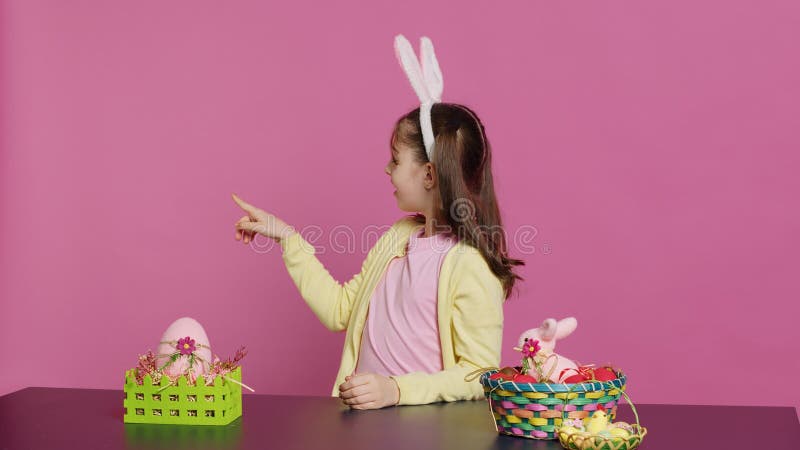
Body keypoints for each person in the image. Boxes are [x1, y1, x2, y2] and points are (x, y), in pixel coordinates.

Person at [231, 35, 524, 410]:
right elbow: (340, 310)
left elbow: (480, 373)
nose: (387, 169)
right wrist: (287, 238)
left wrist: (397, 390)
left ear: (429, 175)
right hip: (364, 425)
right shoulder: (397, 237)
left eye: (396, 160)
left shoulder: (470, 265)